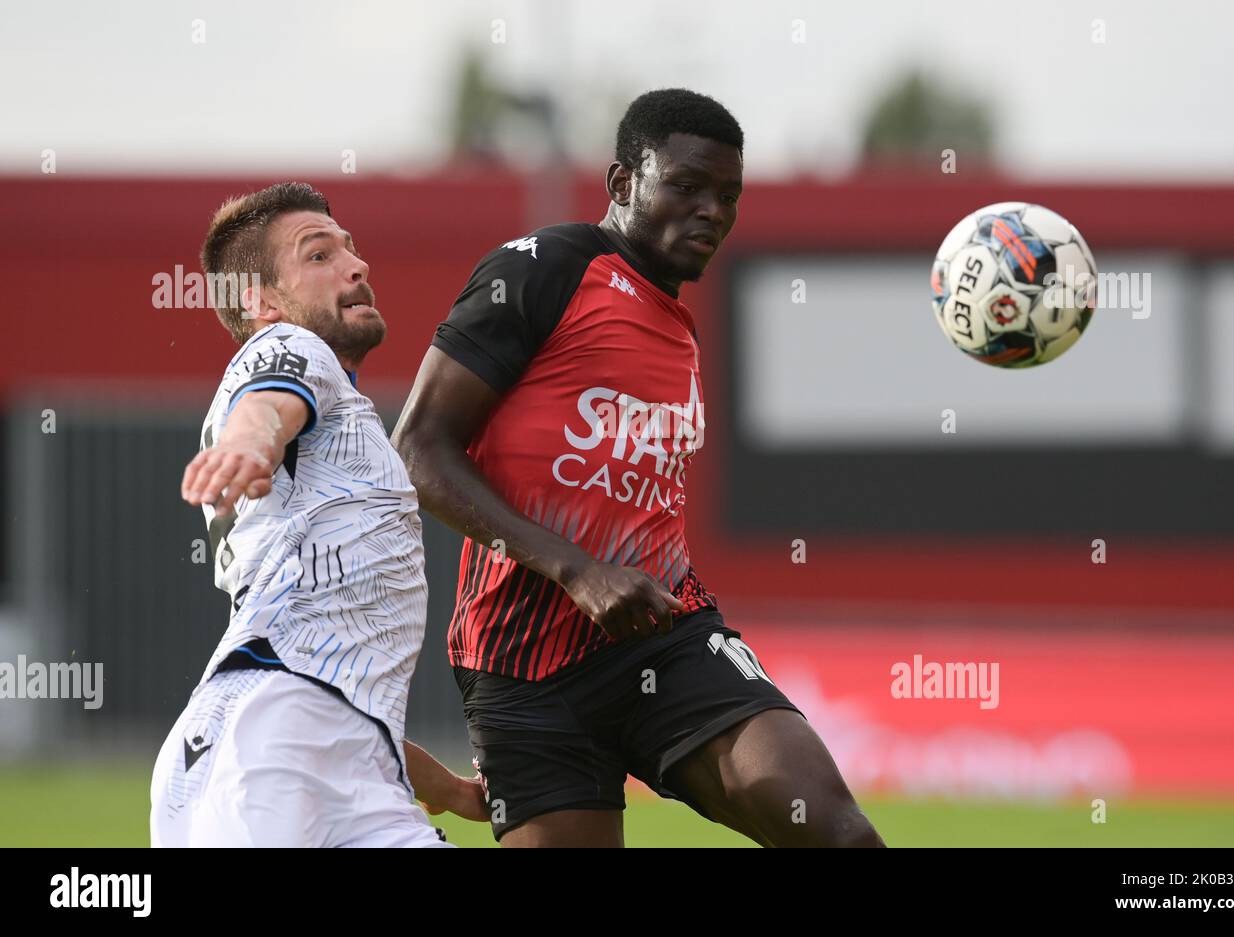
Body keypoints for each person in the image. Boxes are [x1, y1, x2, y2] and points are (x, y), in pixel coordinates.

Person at [392, 90, 885, 847]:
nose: (712, 210)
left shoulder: (678, 328)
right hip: (524, 662)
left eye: (729, 195)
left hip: (667, 636)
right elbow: (419, 449)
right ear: (623, 183)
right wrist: (577, 570)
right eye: (687, 186)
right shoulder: (541, 270)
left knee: (837, 833)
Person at [150, 182, 485, 847]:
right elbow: (264, 405)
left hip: (336, 758)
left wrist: (446, 788)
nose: (356, 265)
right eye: (319, 254)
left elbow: (328, 680)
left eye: (352, 250)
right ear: (263, 302)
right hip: (265, 754)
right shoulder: (295, 350)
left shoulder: (337, 423)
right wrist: (253, 440)